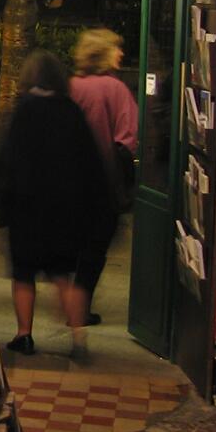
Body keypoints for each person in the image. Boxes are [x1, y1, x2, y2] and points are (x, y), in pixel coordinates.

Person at [0, 48, 116, 356]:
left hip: (26, 209)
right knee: (63, 276)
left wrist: (1, 205)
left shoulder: (23, 111)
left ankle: (24, 335)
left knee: (23, 275)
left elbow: (7, 161)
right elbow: (90, 164)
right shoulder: (71, 112)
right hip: (63, 211)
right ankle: (77, 337)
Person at [66, 28, 138, 324]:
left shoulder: (71, 86)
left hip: (70, 181)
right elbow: (127, 138)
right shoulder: (116, 89)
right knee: (95, 250)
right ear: (104, 53)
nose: (121, 54)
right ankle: (79, 309)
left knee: (77, 244)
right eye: (116, 48)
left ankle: (70, 300)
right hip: (102, 183)